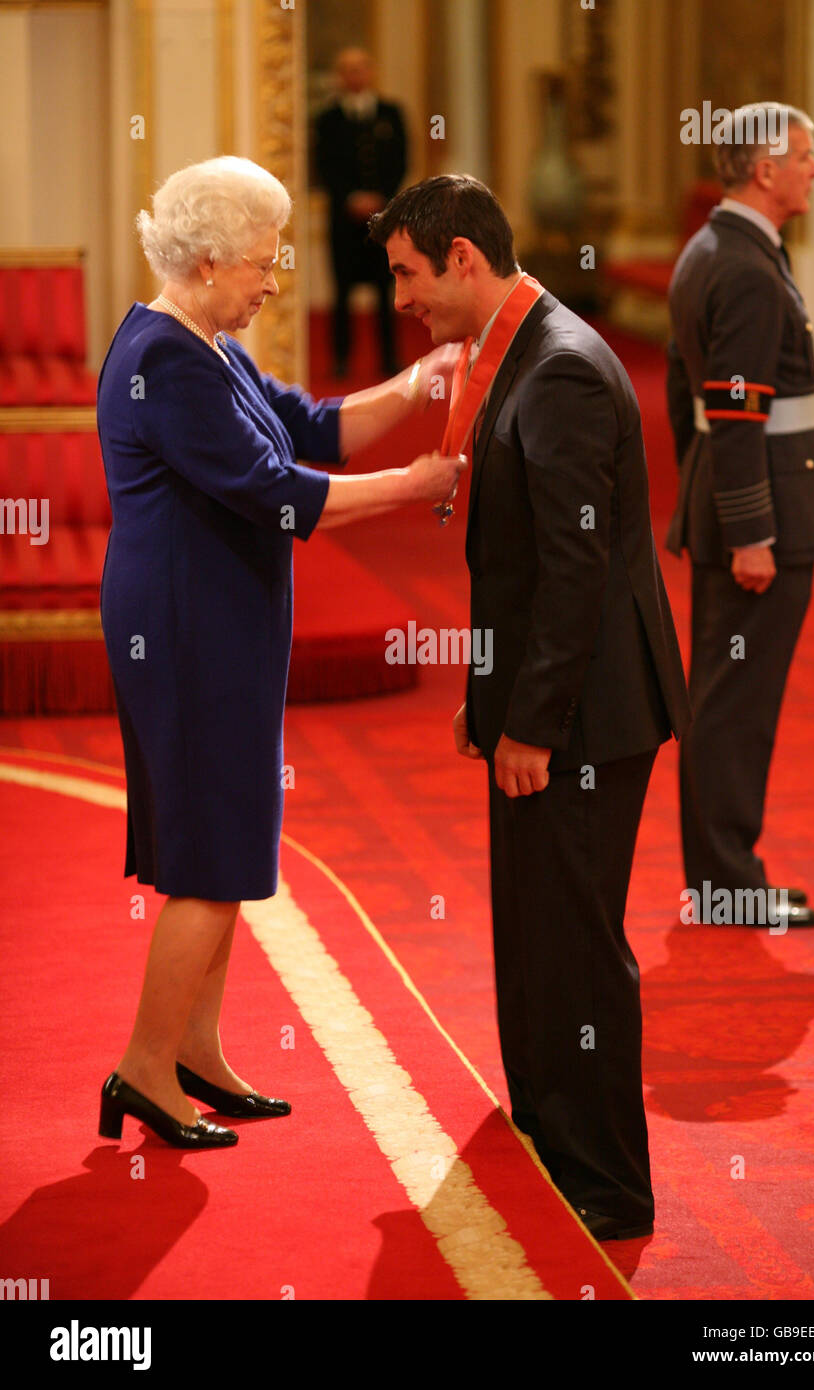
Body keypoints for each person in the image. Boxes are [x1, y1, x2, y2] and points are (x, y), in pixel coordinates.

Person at [96, 156, 464, 1150]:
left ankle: (194, 1049)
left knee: (223, 845)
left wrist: (418, 379)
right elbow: (283, 492)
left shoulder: (202, 342)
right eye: (262, 264)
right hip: (184, 630)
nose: (273, 280)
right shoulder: (164, 361)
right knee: (209, 860)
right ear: (209, 261)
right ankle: (143, 1065)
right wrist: (418, 479)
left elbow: (311, 426)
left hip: (218, 624)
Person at [369, 176, 690, 1241]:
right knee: (535, 930)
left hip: (590, 715)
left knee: (577, 945)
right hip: (555, 697)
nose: (401, 300)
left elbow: (571, 569)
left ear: (462, 257)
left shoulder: (555, 368)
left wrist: (530, 724)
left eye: (409, 276)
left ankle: (606, 1180)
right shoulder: (519, 348)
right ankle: (550, 1129)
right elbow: (508, 563)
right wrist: (487, 696)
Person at [665, 103, 814, 929]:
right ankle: (728, 883)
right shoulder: (740, 265)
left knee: (725, 700)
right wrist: (749, 532)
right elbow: (734, 413)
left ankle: (723, 875)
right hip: (761, 514)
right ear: (764, 171)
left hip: (739, 499)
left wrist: (703, 489)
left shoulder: (714, 248)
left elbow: (680, 390)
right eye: (803, 157)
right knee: (736, 707)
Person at [314, 48, 407, 378]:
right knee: (341, 292)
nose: (354, 75)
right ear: (340, 76)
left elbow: (400, 161)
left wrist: (380, 198)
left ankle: (389, 359)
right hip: (343, 220)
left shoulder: (391, 114)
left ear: (371, 71)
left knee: (387, 290)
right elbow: (323, 166)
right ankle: (341, 361)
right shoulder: (327, 120)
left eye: (360, 68)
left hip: (381, 220)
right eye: (347, 70)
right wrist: (350, 198)